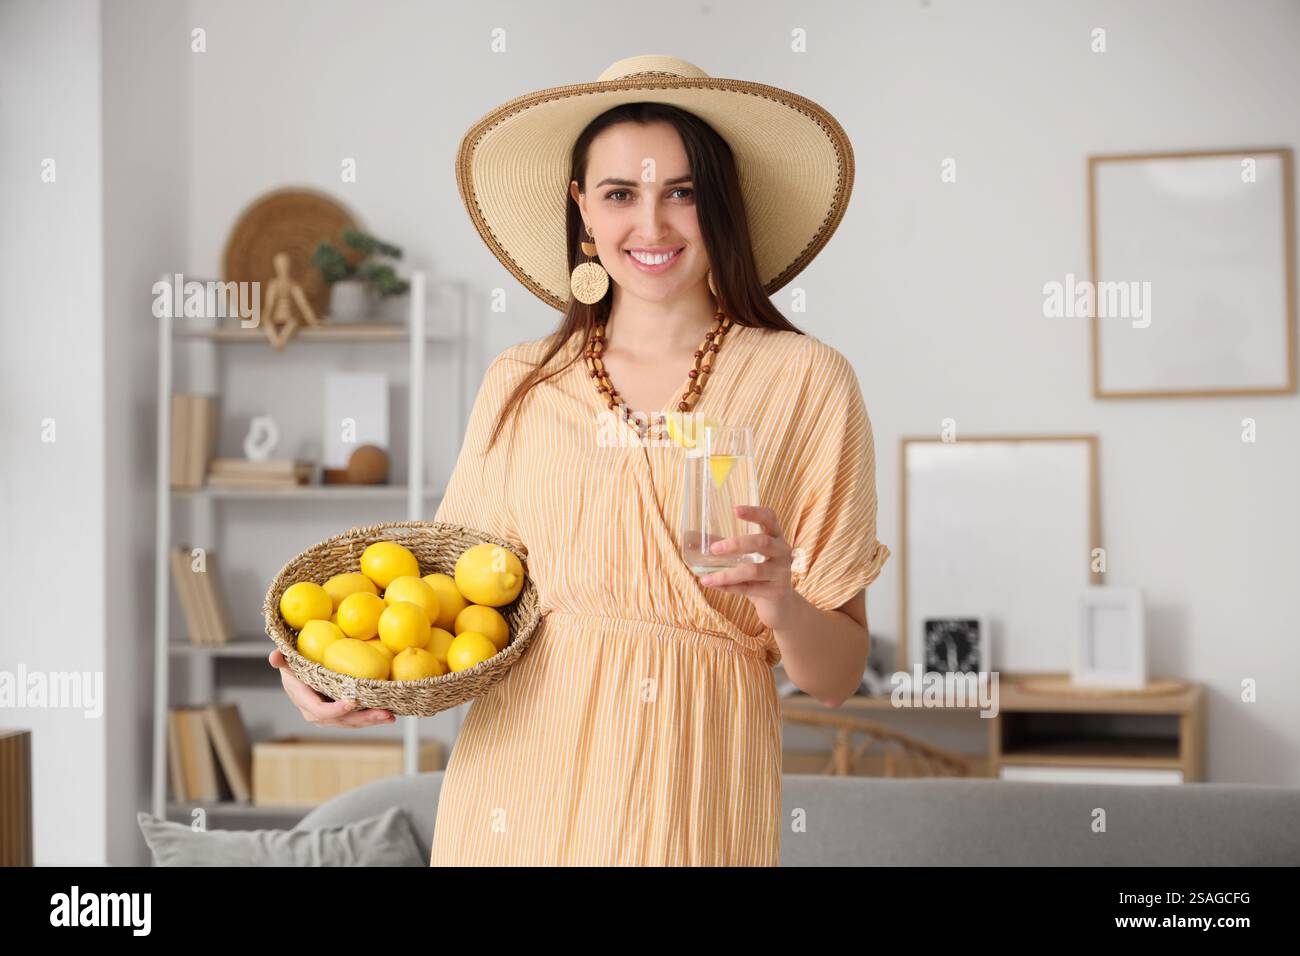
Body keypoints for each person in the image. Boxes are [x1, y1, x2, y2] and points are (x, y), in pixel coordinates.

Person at [270, 54, 891, 865]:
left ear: (721, 202)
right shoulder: (522, 383)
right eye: (621, 194)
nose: (654, 225)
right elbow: (443, 610)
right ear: (583, 210)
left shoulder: (805, 381)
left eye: (683, 191)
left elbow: (837, 675)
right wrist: (317, 674)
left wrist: (779, 599)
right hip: (514, 797)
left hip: (691, 796)